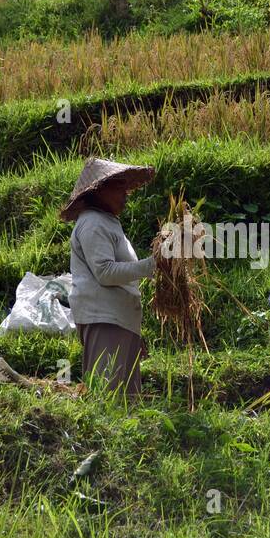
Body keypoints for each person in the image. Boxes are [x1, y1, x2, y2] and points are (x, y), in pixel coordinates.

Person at [62, 158, 157, 399]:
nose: (126, 194)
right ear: (100, 189)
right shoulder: (93, 223)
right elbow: (104, 272)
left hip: (119, 320)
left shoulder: (107, 222)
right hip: (105, 319)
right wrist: (152, 266)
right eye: (120, 187)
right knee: (108, 396)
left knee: (125, 398)